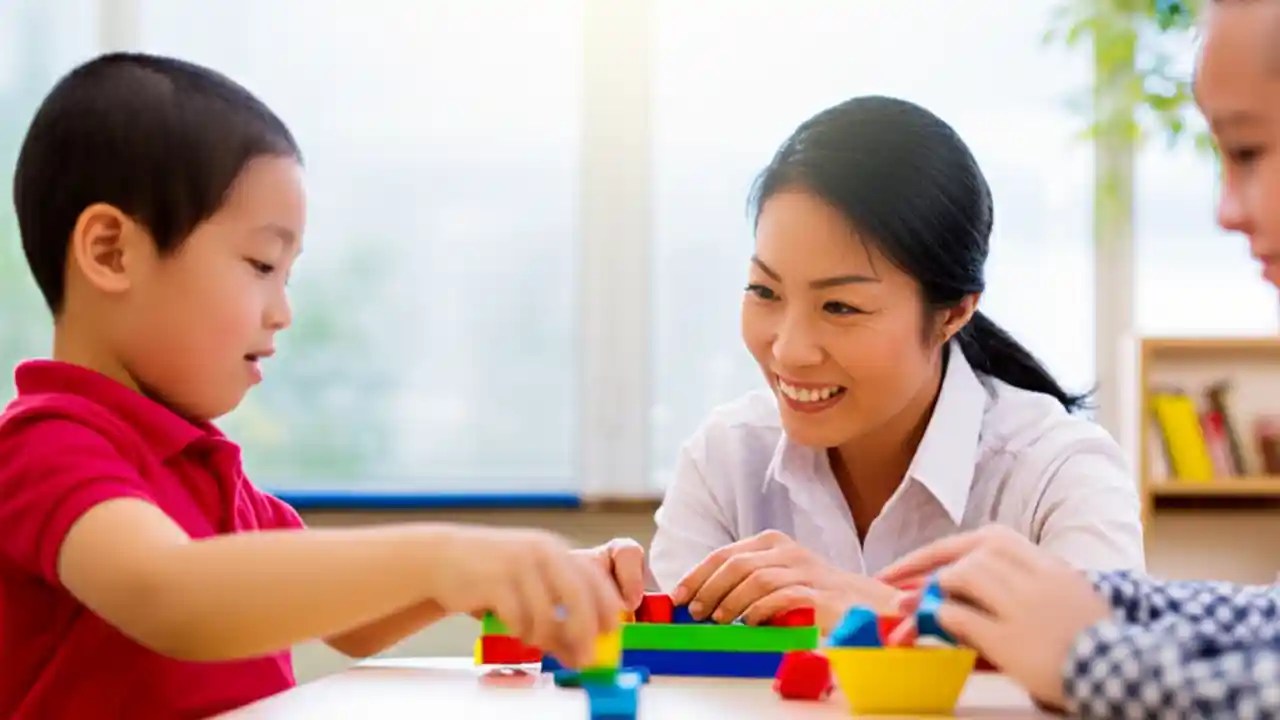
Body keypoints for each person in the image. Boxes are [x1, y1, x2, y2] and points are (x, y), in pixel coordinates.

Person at [0, 53, 647, 720]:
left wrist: (514, 580)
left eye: (287, 276)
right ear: (112, 252)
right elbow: (168, 595)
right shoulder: (46, 446)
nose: (283, 311)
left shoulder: (209, 472)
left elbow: (355, 623)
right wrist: (446, 558)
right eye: (260, 264)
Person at [877, 2, 1280, 716]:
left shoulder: (1059, 457)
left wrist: (1085, 656)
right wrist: (1079, 598)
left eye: (1249, 151)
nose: (1224, 210)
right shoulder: (732, 442)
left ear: (954, 310)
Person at [648, 95, 1146, 633]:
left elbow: (1110, 666)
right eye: (764, 291)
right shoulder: (725, 459)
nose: (790, 350)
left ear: (954, 311)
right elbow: (671, 676)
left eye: (840, 307)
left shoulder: (1057, 472)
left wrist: (881, 616)